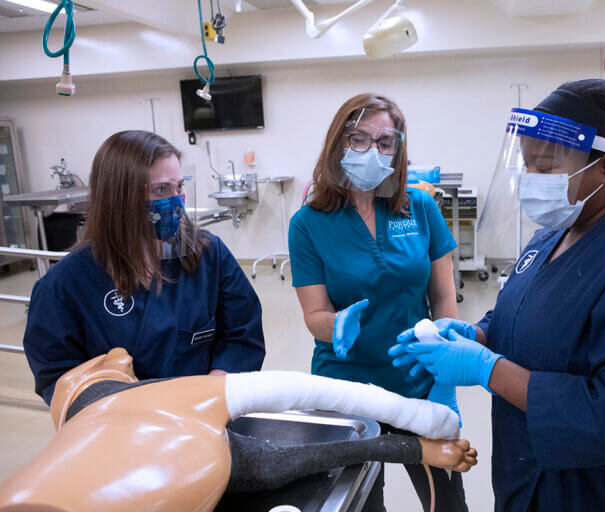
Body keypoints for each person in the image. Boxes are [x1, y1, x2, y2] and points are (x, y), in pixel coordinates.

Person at [392, 79, 605, 512]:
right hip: (526, 474)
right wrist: (476, 335)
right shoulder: (553, 235)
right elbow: (524, 316)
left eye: (545, 167)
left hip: (594, 493)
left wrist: (487, 369)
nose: (530, 181)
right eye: (526, 166)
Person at [0, 348, 476, 511]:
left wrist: (416, 439)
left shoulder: (183, 421)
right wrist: (417, 437)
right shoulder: (190, 434)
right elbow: (313, 395)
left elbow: (310, 398)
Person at [288, 93, 465, 511]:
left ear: (397, 150)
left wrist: (445, 360)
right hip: (347, 392)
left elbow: (443, 295)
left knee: (449, 504)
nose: (372, 151)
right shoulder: (307, 224)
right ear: (338, 143)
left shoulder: (419, 207)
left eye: (385, 142)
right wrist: (335, 325)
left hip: (418, 385)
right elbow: (314, 314)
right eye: (359, 138)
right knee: (362, 504)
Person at [23, 130, 265, 405]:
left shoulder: (209, 256)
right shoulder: (64, 286)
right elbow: (57, 376)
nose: (177, 201)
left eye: (180, 187)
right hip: (118, 428)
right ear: (120, 197)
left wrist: (209, 397)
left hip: (204, 416)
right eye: (162, 189)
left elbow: (242, 334)